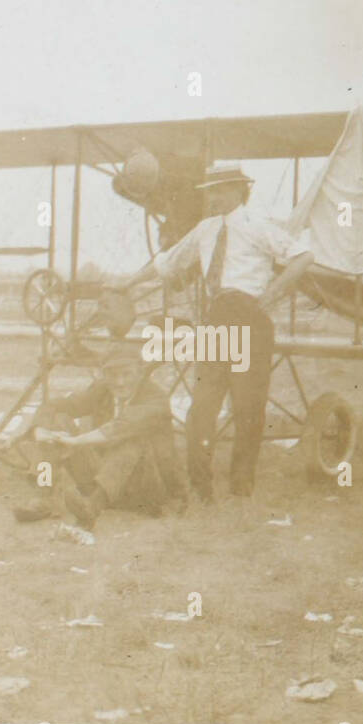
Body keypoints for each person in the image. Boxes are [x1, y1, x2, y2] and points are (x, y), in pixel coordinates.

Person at [120, 163, 314, 502]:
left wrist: (272, 293)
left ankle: (241, 485)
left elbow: (302, 256)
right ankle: (200, 486)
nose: (214, 197)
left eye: (221, 190)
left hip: (249, 317)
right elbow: (167, 262)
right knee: (202, 406)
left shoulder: (258, 225)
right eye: (210, 191)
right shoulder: (205, 229)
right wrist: (127, 284)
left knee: (247, 405)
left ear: (240, 190)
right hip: (216, 317)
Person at [6, 341, 183, 529]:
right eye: (113, 375)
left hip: (144, 489)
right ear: (104, 375)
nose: (120, 382)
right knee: (56, 422)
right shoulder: (102, 390)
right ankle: (44, 496)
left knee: (131, 440)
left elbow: (119, 428)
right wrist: (40, 429)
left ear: (140, 373)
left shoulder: (156, 398)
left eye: (127, 374)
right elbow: (54, 405)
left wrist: (75, 441)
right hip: (102, 481)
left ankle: (91, 508)